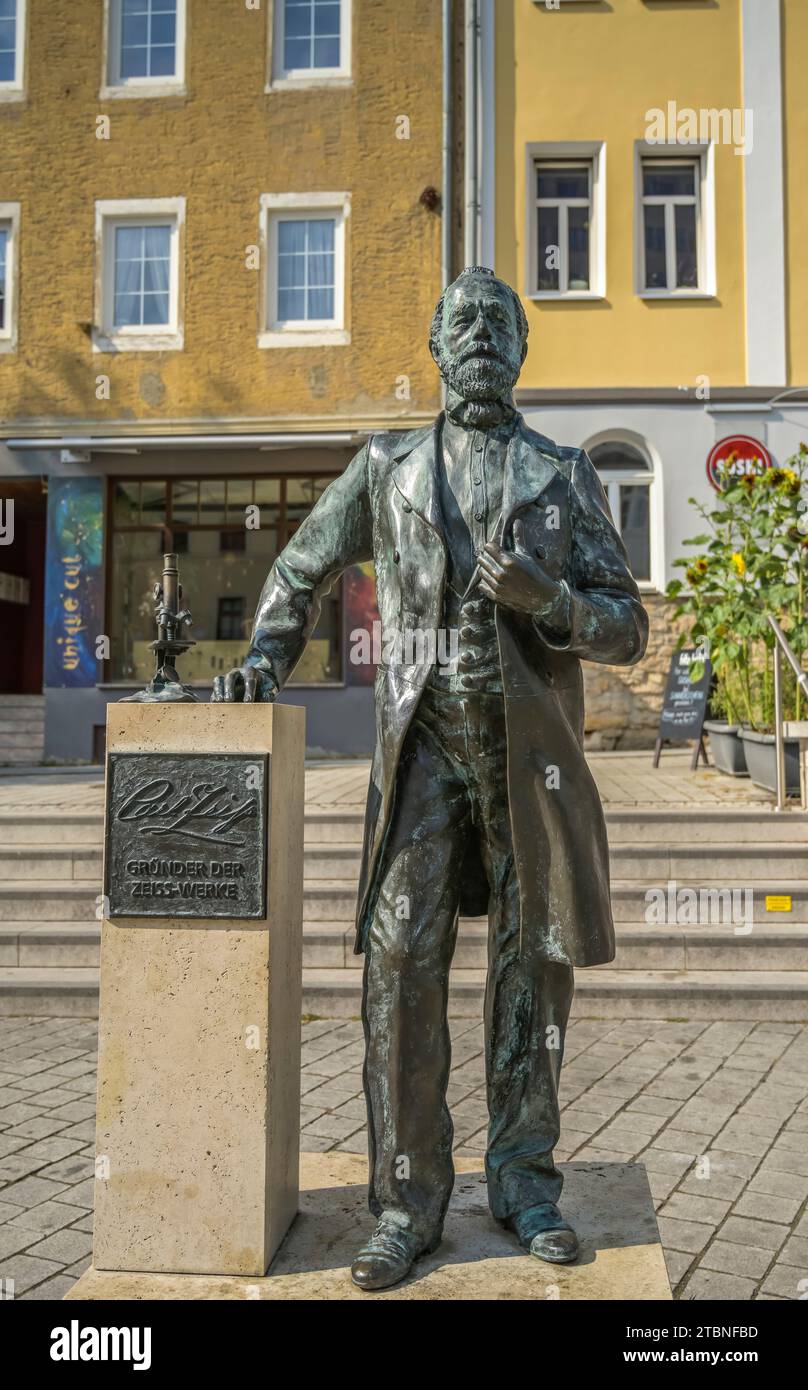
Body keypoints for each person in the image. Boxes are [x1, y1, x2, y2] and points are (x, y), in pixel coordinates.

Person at [213, 267, 648, 1290]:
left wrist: (551, 603)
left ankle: (523, 1181)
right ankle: (405, 1200)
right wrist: (261, 662)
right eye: (464, 322)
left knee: (531, 973)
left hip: (528, 769)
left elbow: (624, 621)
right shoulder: (388, 468)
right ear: (437, 348)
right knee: (398, 969)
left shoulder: (563, 472)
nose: (482, 336)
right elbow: (300, 566)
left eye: (500, 322)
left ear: (521, 349)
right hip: (421, 758)